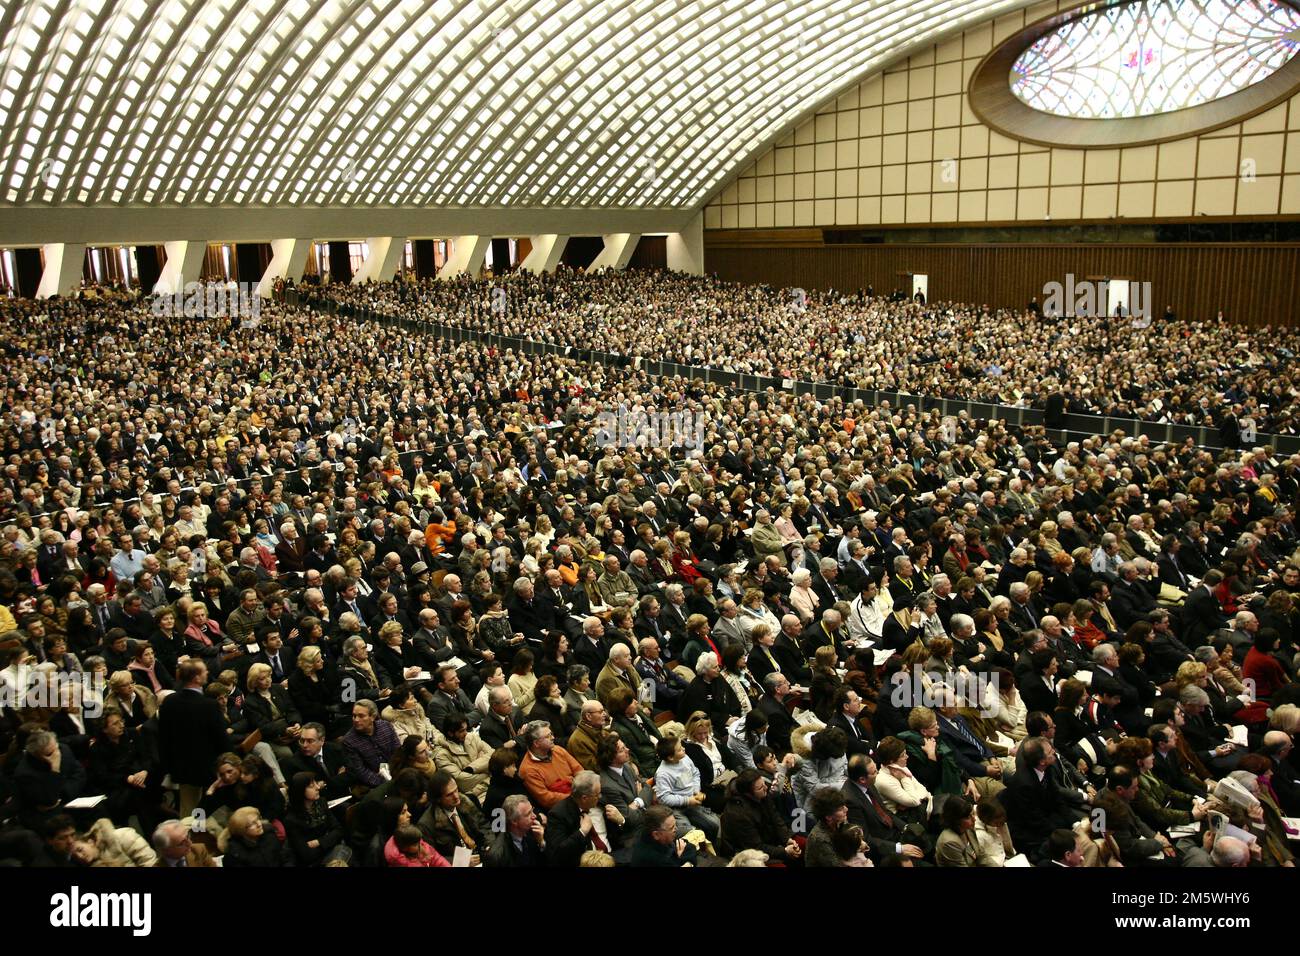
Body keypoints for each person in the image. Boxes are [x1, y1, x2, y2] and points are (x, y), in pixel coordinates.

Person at [157, 659, 227, 817]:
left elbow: (163, 738)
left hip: (181, 767)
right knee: (207, 808)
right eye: (204, 671)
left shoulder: (169, 702)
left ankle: (188, 838)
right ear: (196, 678)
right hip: (207, 766)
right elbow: (221, 739)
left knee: (188, 810)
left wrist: (168, 766)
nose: (207, 672)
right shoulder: (209, 705)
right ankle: (199, 835)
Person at [719, 768, 802, 863]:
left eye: (763, 784)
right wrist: (784, 851)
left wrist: (787, 838)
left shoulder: (763, 792)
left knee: (803, 844)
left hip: (768, 837)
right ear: (748, 794)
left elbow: (775, 818)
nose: (766, 788)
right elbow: (755, 847)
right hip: (746, 854)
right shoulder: (738, 815)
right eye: (760, 788)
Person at [653, 734, 721, 841]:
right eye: (679, 749)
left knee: (715, 824)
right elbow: (664, 798)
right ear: (670, 757)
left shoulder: (685, 758)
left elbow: (695, 773)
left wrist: (696, 790)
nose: (683, 749)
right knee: (690, 834)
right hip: (676, 808)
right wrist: (687, 800)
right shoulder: (663, 774)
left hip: (692, 800)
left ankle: (715, 847)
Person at [283, 772, 349, 866]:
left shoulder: (321, 803)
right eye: (311, 786)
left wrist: (319, 842)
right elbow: (307, 855)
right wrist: (330, 839)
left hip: (332, 850)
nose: (318, 787)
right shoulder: (291, 820)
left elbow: (339, 830)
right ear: (300, 791)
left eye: (316, 783)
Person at [518, 720, 584, 811]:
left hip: (581, 795)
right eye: (548, 736)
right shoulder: (528, 769)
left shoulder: (558, 750)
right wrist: (576, 797)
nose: (553, 737)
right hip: (563, 809)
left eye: (551, 734)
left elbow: (579, 770)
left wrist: (584, 790)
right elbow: (547, 799)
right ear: (536, 743)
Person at [484, 794, 547, 867]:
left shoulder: (535, 829)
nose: (534, 816)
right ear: (514, 821)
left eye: (532, 810)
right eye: (528, 814)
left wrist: (541, 843)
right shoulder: (497, 856)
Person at [219, 806, 293, 867]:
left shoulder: (269, 833)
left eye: (258, 819)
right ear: (242, 830)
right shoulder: (234, 854)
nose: (259, 824)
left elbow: (285, 856)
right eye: (252, 824)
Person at [629, 805, 698, 867]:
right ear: (656, 834)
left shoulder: (661, 836)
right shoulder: (655, 859)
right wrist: (687, 863)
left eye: (675, 824)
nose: (676, 829)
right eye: (672, 828)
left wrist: (682, 859)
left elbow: (689, 847)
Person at [804, 786, 850, 867]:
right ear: (828, 817)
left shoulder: (840, 822)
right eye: (841, 809)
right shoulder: (819, 839)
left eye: (844, 806)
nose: (846, 809)